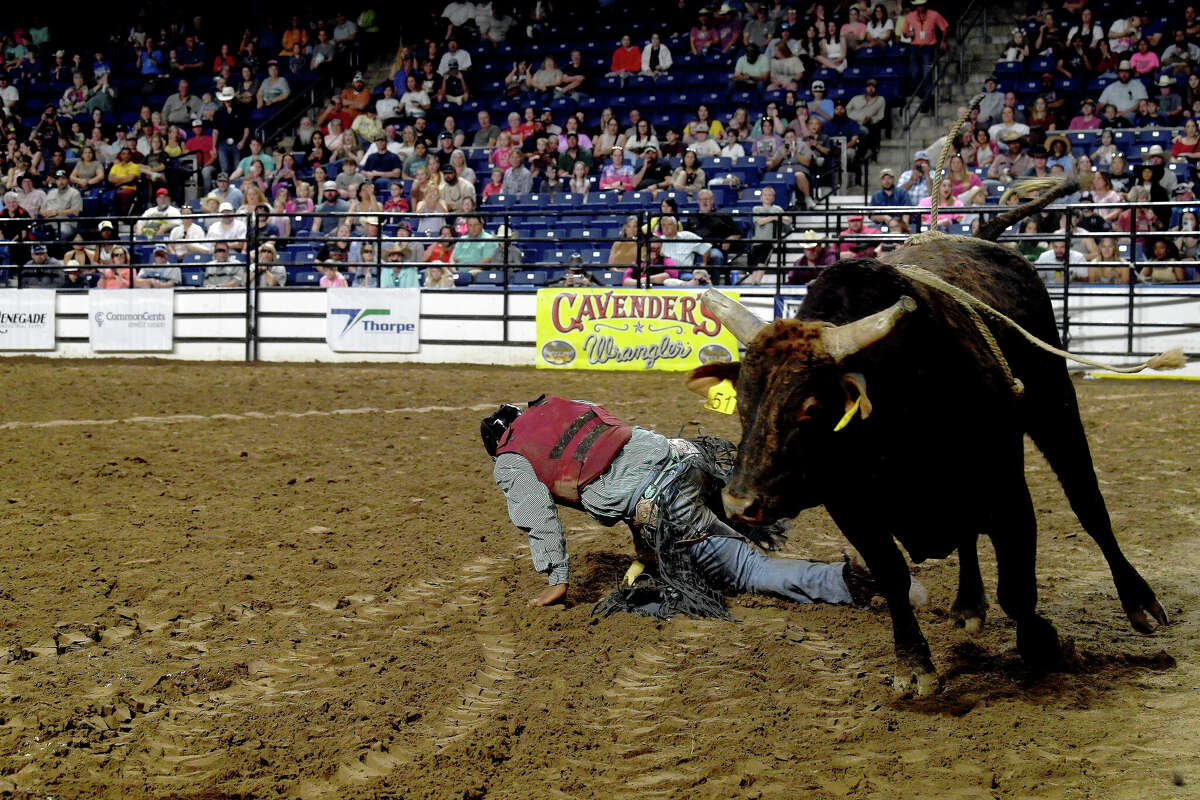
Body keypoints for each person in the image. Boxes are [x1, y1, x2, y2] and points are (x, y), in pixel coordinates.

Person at [482, 397, 914, 614]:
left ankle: (864, 583)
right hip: (689, 458)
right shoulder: (558, 405)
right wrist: (645, 554)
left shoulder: (510, 458)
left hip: (665, 498)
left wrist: (558, 579)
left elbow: (538, 519)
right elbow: (616, 449)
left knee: (749, 570)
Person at [899, 0, 949, 114]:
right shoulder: (910, 17)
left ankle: (926, 102)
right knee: (914, 73)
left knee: (927, 74)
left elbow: (944, 28)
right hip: (914, 48)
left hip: (929, 48)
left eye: (922, 5)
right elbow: (904, 32)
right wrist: (908, 34)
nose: (920, 7)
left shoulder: (934, 14)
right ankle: (923, 95)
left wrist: (943, 41)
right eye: (918, 6)